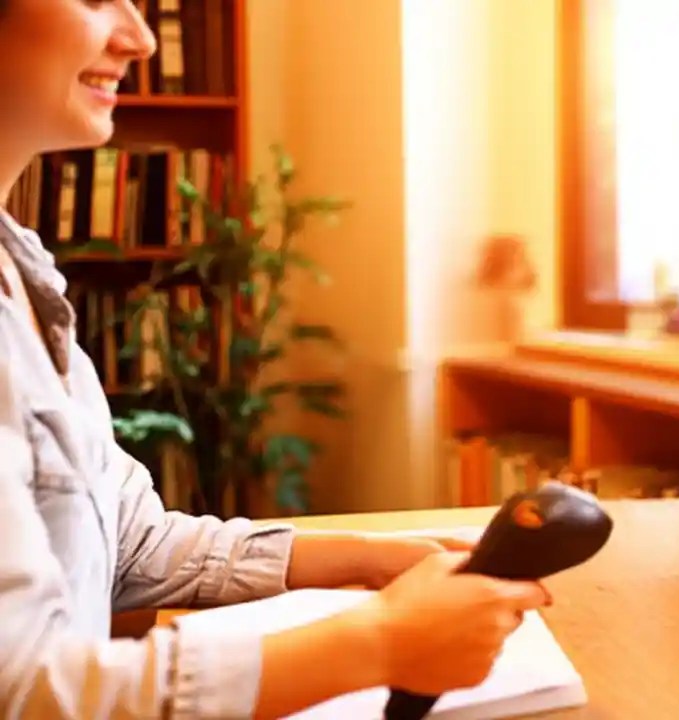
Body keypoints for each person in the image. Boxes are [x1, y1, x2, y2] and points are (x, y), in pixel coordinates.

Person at [0, 2, 550, 718]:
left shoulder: (22, 270)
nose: (137, 39)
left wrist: (372, 557)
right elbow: (23, 691)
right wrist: (382, 642)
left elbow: (130, 544)